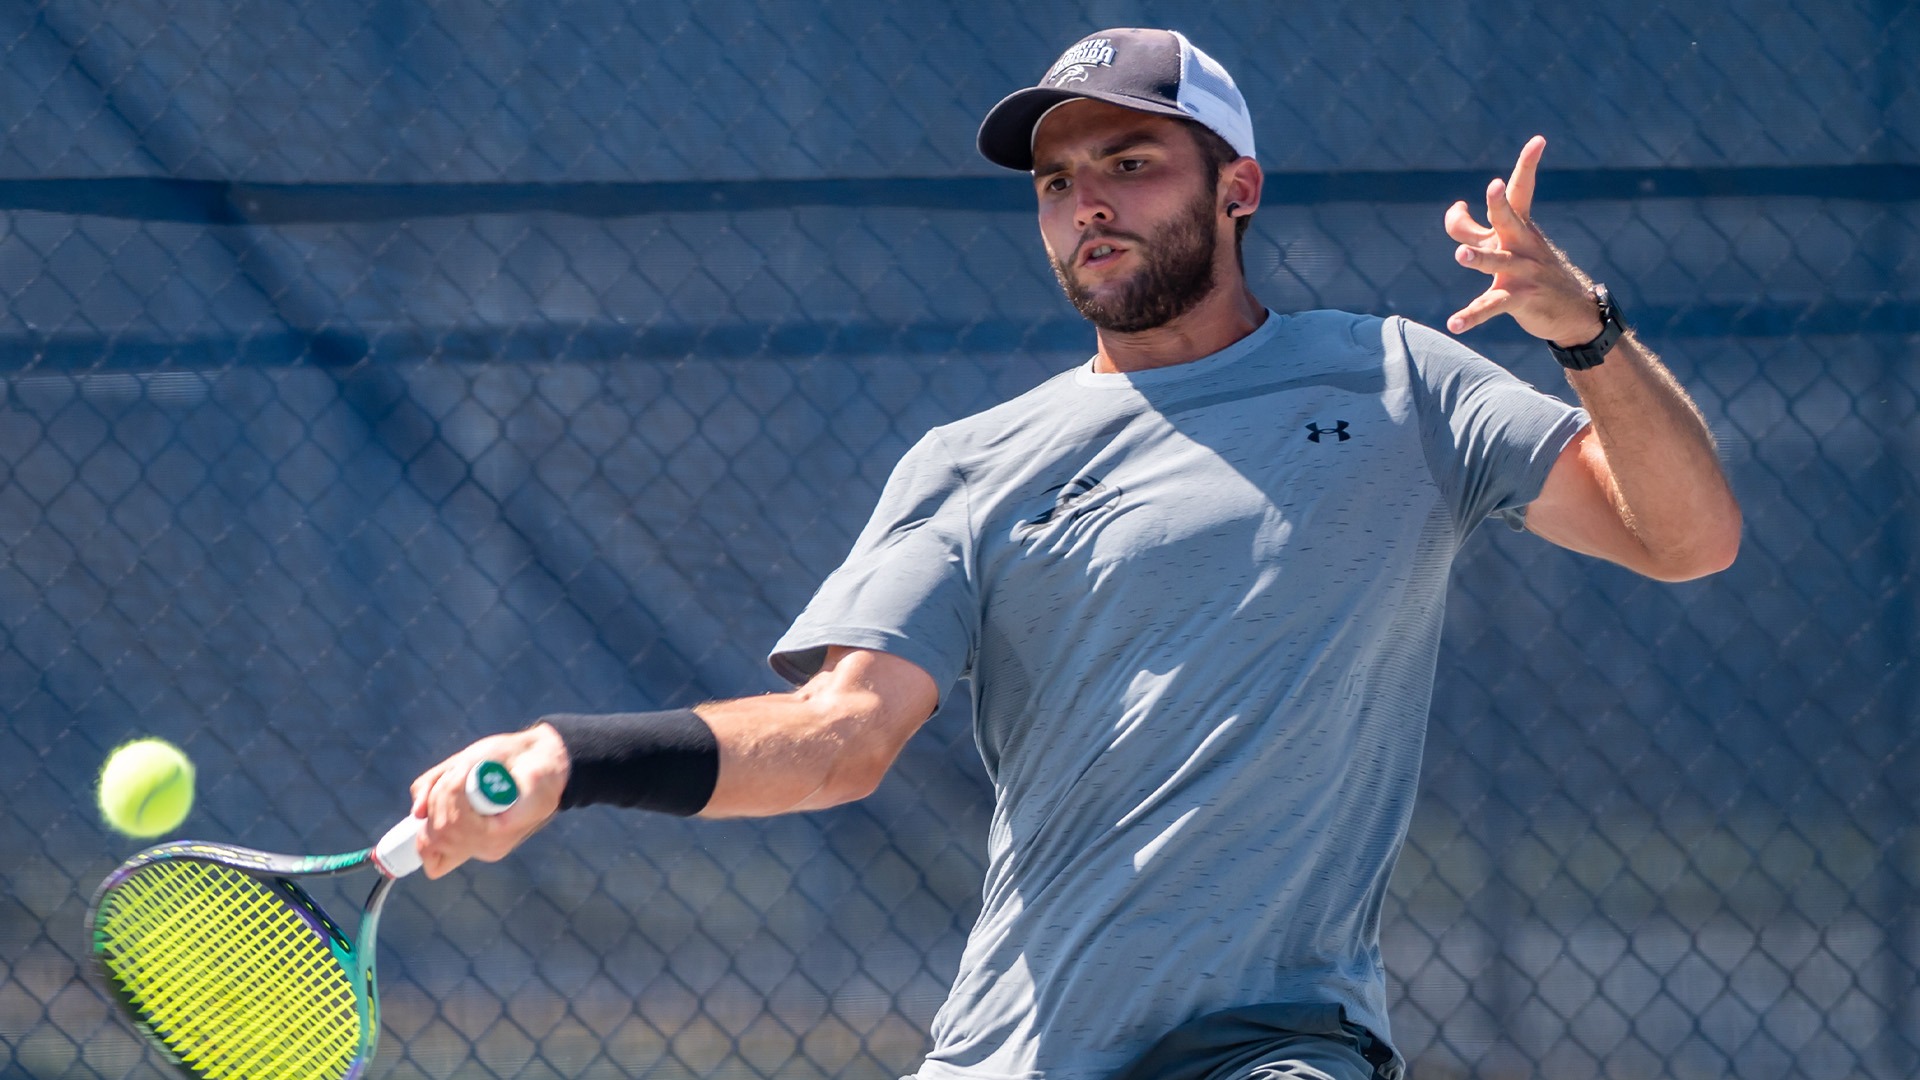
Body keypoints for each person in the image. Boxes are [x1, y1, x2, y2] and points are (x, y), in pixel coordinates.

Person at [406, 27, 1741, 1080]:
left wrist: (1586, 333)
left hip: (1279, 1040)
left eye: (1130, 164)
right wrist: (574, 755)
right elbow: (836, 738)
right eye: (1056, 182)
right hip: (1016, 1049)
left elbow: (1686, 538)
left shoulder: (1402, 383)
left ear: (1238, 190)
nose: (1084, 206)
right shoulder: (973, 464)